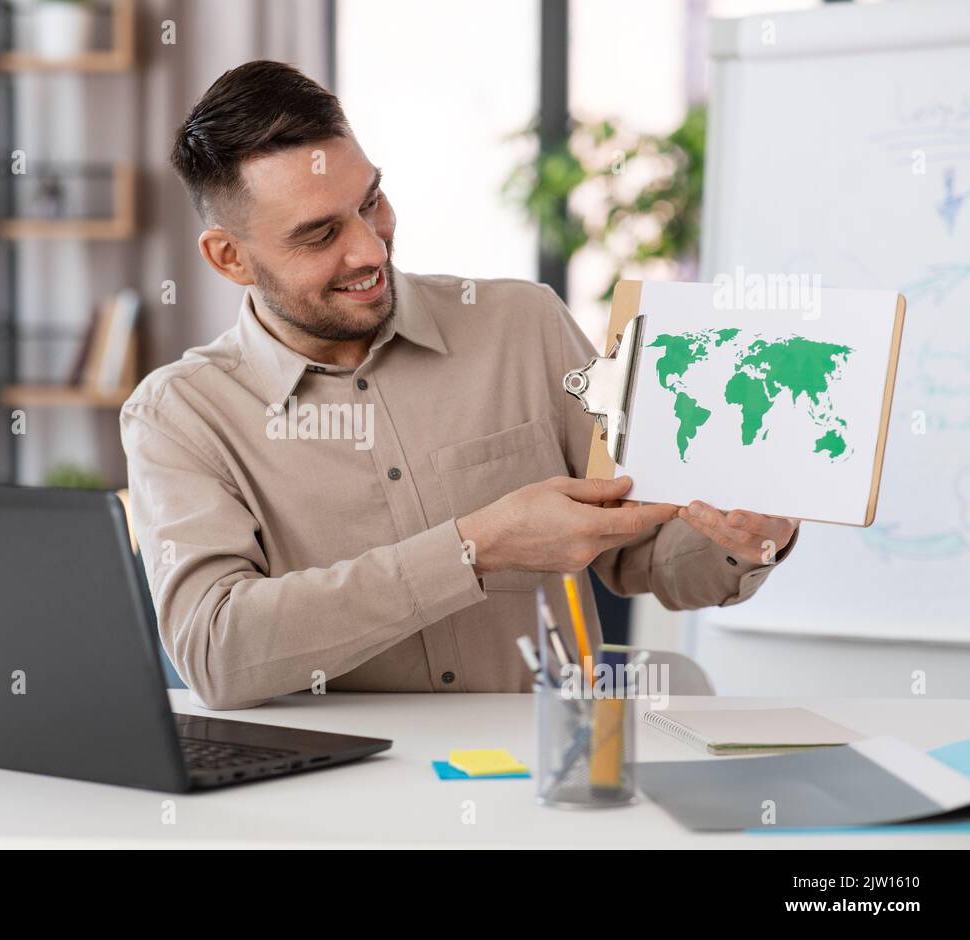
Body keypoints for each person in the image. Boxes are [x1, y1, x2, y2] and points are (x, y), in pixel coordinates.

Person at [121, 60, 799, 710]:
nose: (371, 249)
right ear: (229, 256)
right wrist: (474, 547)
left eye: (371, 202)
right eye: (321, 234)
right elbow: (215, 651)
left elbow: (646, 554)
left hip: (544, 778)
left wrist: (746, 538)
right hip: (333, 804)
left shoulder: (523, 325)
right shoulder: (179, 416)